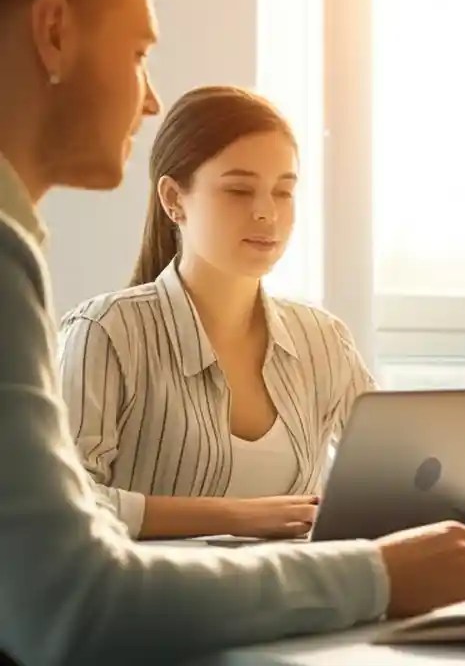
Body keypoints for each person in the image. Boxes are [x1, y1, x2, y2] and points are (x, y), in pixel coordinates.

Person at [0, 0, 465, 663]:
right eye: (140, 51)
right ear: (53, 33)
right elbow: (73, 596)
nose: (148, 98)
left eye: (285, 190)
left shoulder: (319, 335)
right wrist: (379, 574)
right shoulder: (89, 317)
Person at [60, 85, 372, 540]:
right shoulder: (105, 331)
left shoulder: (324, 339)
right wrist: (236, 516)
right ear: (173, 199)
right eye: (239, 190)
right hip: (159, 606)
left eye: (283, 193)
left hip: (301, 601)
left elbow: (393, 477)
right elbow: (63, 501)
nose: (267, 213)